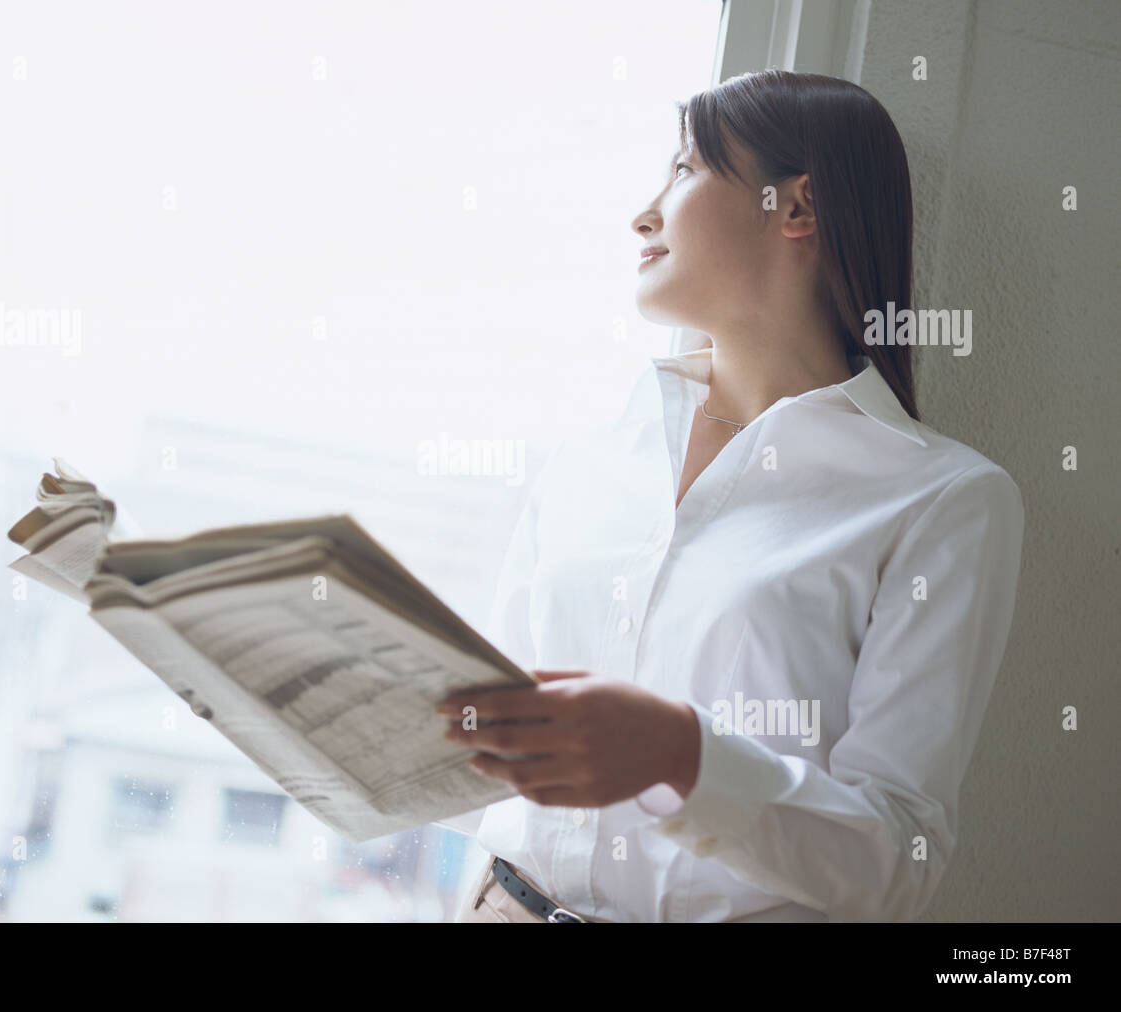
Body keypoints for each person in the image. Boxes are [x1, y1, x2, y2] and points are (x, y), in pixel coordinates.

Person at [434, 69, 1025, 923]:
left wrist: (682, 756)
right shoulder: (585, 468)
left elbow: (897, 862)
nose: (644, 214)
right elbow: (486, 761)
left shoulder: (945, 502)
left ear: (795, 208)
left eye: (683, 170)